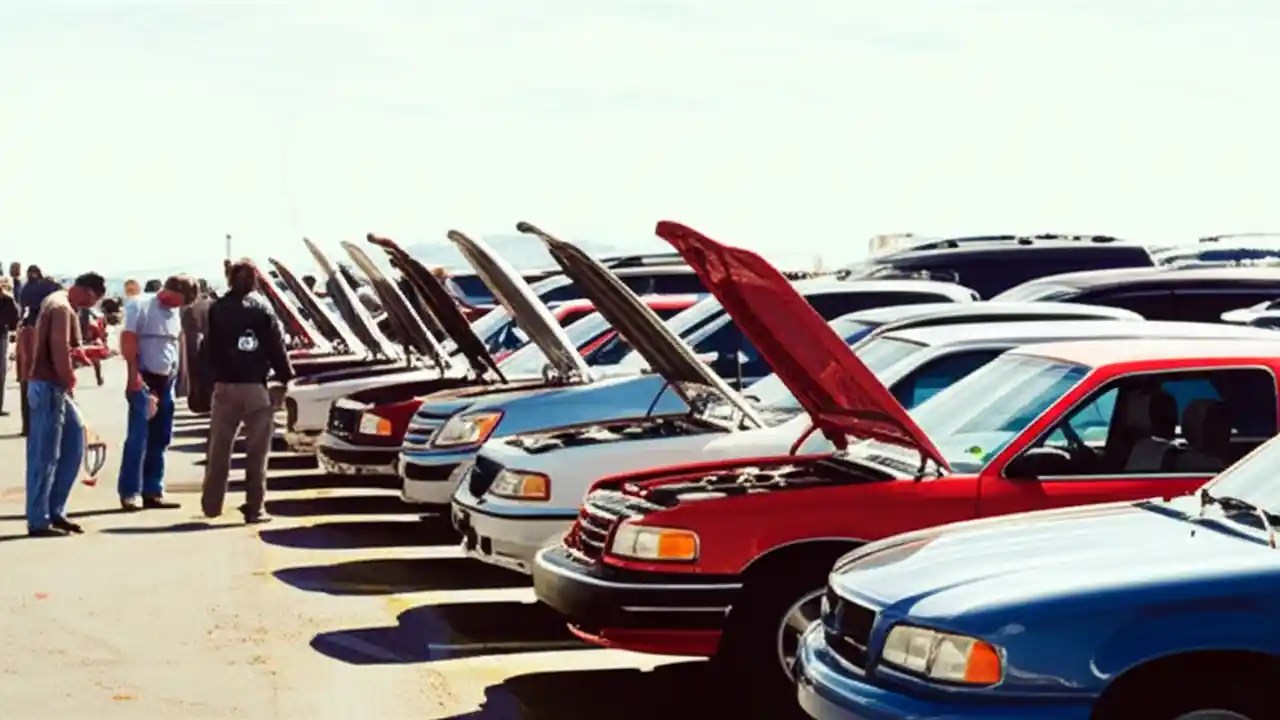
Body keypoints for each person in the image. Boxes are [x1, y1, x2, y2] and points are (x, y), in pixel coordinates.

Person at [200, 260, 293, 524]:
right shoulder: (262, 308)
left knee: (219, 447)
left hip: (225, 385)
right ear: (255, 281)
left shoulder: (217, 308)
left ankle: (212, 504)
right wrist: (286, 377)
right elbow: (275, 347)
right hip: (255, 388)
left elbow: (208, 348)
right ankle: (255, 508)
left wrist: (208, 380)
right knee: (257, 452)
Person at [24, 272, 106, 537]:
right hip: (49, 385)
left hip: (52, 385)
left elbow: (67, 347)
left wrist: (82, 354)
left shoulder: (61, 303)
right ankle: (39, 519)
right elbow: (59, 347)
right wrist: (68, 377)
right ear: (86, 290)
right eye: (92, 299)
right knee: (45, 456)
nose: (90, 305)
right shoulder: (61, 307)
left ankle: (54, 510)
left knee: (73, 442)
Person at [117, 274, 196, 511]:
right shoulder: (140, 305)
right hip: (144, 378)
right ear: (171, 291)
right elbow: (128, 340)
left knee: (161, 437)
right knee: (139, 437)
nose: (181, 305)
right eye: (181, 300)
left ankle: (153, 489)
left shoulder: (175, 313)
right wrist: (134, 377)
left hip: (166, 381)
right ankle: (130, 491)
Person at [17, 266, 60, 436]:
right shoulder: (48, 289)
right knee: (45, 382)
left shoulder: (25, 288)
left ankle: (27, 425)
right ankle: (43, 424)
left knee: (26, 381)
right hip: (40, 335)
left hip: (25, 333)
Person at [0, 278, 18, 416]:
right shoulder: (7, 299)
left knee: (1, 372)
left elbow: (14, 320)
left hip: (2, 335)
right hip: (2, 335)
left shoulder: (7, 300)